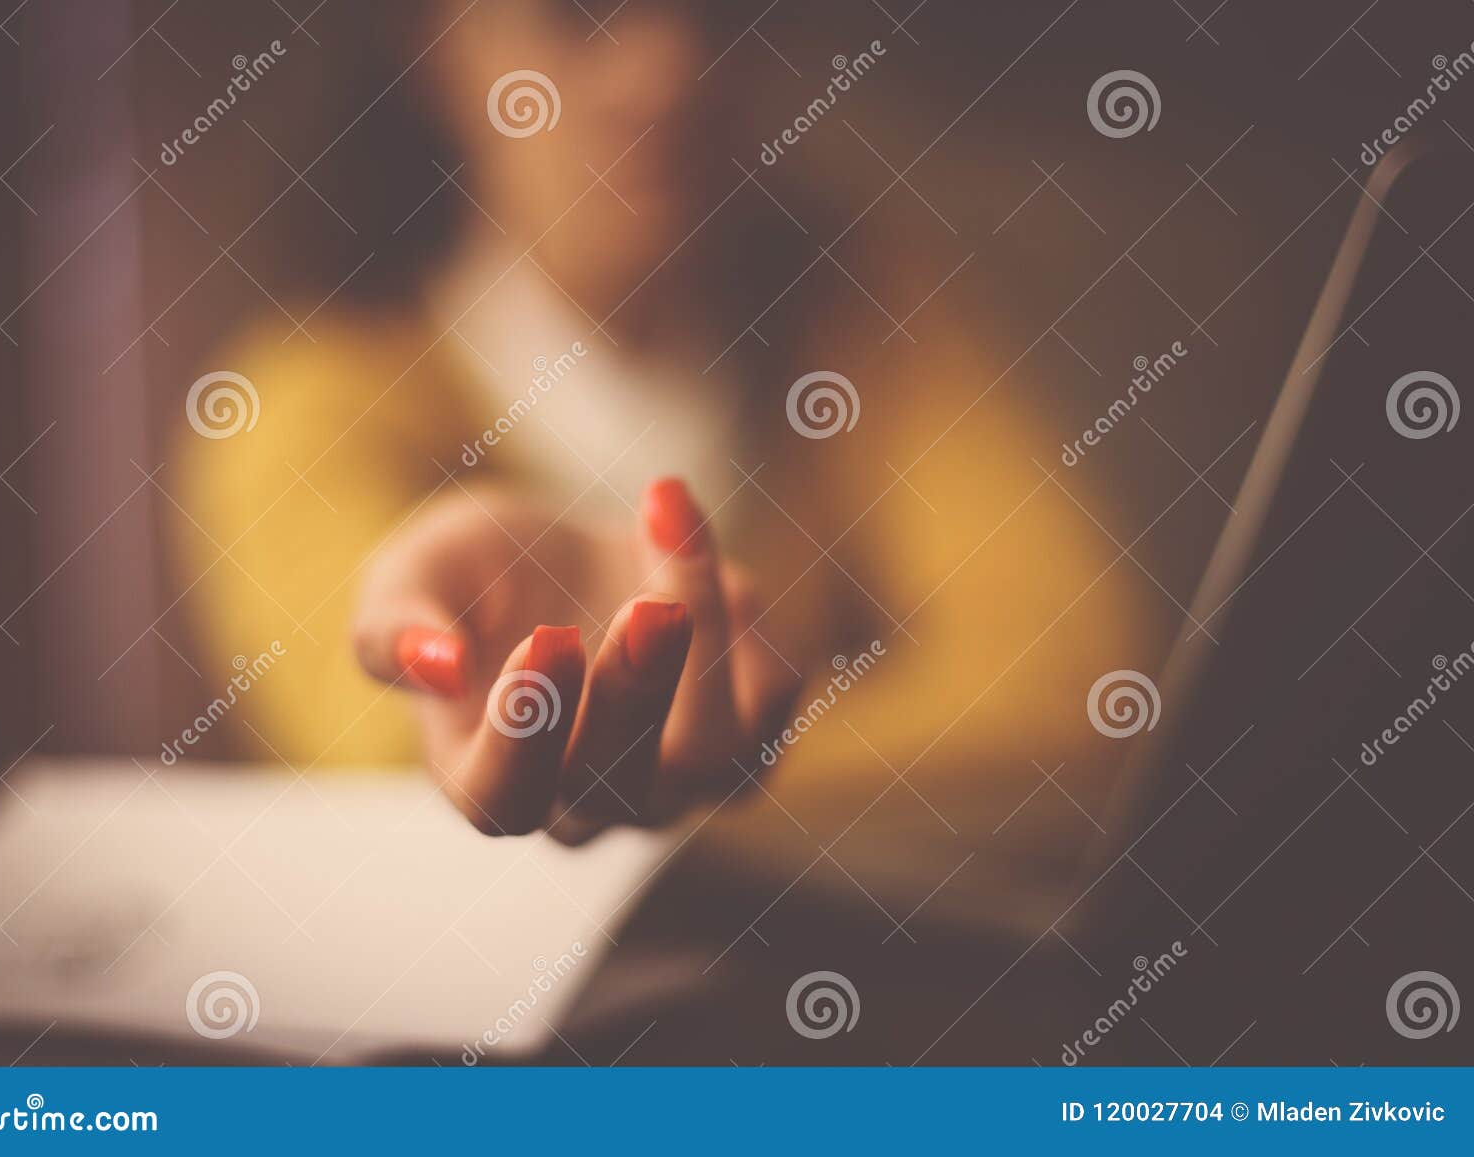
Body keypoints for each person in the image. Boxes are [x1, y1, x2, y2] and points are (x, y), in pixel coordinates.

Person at [173, 0, 1152, 852]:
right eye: (575, 8)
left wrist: (705, 758)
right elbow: (402, 767)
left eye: (718, 6)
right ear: (434, 41)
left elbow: (1080, 687)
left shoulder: (857, 313)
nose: (665, 68)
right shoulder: (298, 399)